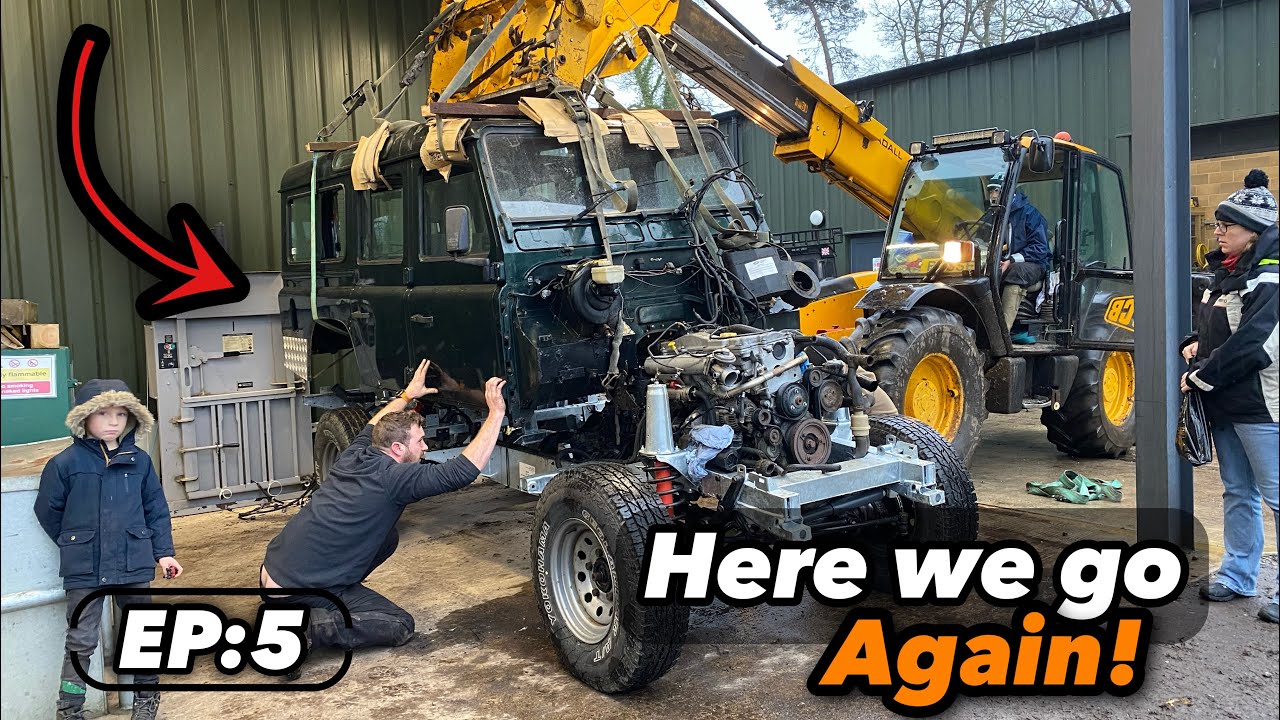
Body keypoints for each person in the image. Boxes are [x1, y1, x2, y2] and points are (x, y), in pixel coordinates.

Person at [260, 359, 507, 670]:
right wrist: (495, 414)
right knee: (399, 623)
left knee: (387, 537)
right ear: (398, 449)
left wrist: (408, 394)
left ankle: (323, 600)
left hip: (271, 572)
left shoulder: (357, 453)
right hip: (295, 591)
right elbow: (462, 471)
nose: (426, 447)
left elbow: (374, 424)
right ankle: (301, 631)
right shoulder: (395, 479)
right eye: (420, 441)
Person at [34, 379, 183, 720]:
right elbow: (48, 510)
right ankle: (69, 708)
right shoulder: (64, 464)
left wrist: (163, 552)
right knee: (81, 638)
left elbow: (156, 509)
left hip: (132, 560)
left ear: (131, 418)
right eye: (102, 414)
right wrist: (75, 542)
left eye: (120, 414)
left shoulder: (140, 461)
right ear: (84, 418)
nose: (112, 421)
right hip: (85, 567)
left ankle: (146, 698)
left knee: (141, 630)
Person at [1178, 169, 1278, 624]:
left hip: (1260, 405)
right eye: (1217, 224)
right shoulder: (1228, 273)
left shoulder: (1270, 279)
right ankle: (1239, 576)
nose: (1217, 232)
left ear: (1253, 232)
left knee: (1276, 497)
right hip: (1227, 401)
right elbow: (1218, 327)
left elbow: (1257, 343)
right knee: (1238, 491)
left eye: (1227, 226)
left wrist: (1203, 376)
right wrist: (1192, 342)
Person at [990, 175, 1051, 344]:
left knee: (1015, 272)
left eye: (996, 190)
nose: (993, 195)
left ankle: (1001, 336)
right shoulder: (992, 216)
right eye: (991, 191)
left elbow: (1040, 248)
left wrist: (1011, 259)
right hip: (1003, 263)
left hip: (1033, 265)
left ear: (1008, 191)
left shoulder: (1030, 214)